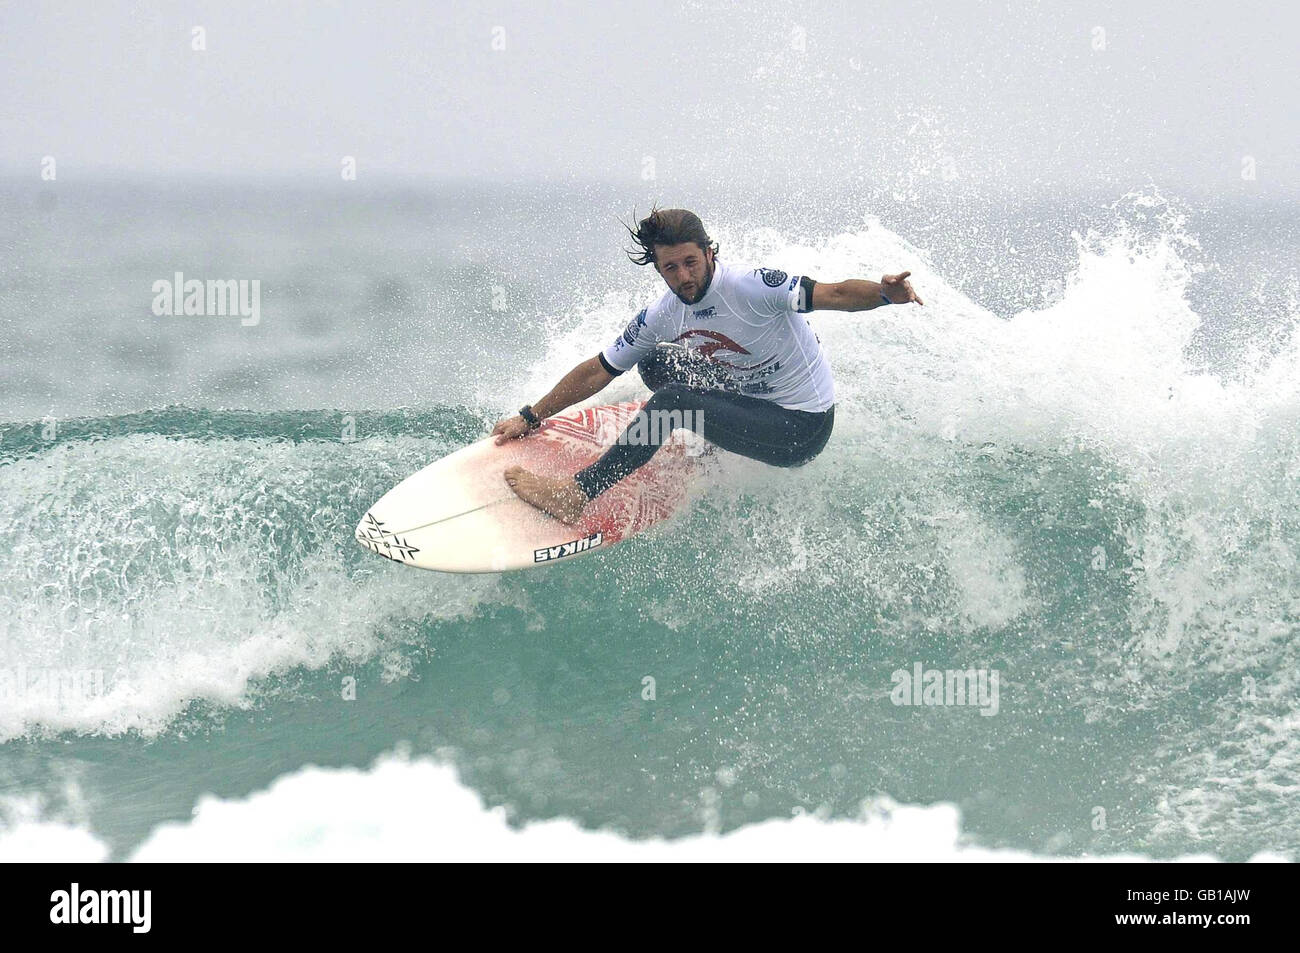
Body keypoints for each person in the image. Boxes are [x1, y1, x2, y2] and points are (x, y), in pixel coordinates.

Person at [493, 207, 923, 524]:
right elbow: (599, 369)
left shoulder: (752, 288)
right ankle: (714, 437)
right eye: (671, 268)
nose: (683, 276)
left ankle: (576, 493)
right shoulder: (662, 313)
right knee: (656, 362)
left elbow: (838, 294)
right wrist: (532, 415)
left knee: (672, 403)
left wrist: (886, 294)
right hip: (751, 401)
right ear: (658, 269)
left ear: (710, 253)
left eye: (690, 262)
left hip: (800, 428)